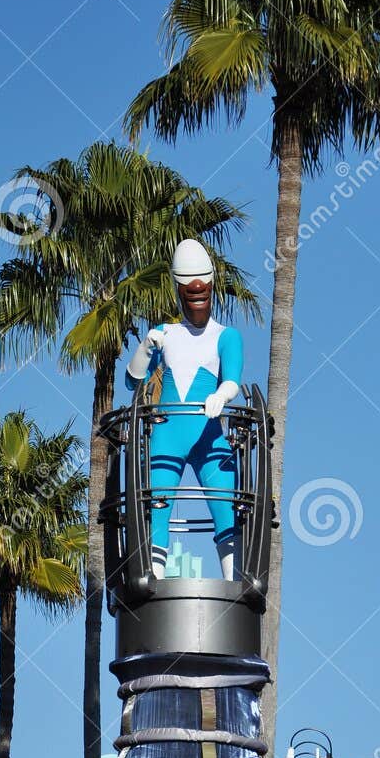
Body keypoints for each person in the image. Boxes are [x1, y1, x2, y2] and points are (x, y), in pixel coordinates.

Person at [125, 238, 243, 580]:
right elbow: (133, 380)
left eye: (203, 290)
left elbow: (233, 380)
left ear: (211, 287)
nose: (197, 296)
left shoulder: (226, 335)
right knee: (157, 505)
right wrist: (147, 347)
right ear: (178, 291)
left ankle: (234, 582)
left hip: (210, 436)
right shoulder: (165, 333)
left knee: (225, 507)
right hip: (167, 436)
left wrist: (221, 395)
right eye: (190, 292)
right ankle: (153, 580)